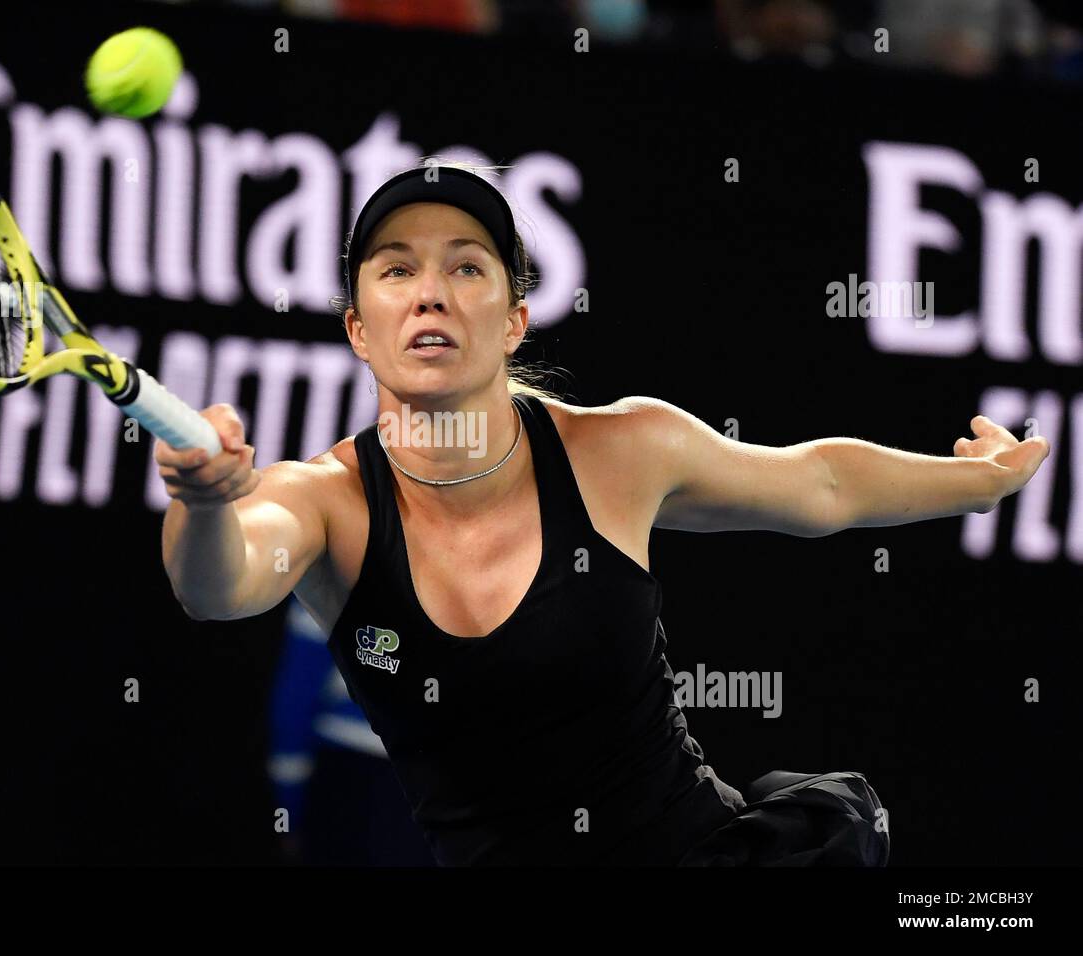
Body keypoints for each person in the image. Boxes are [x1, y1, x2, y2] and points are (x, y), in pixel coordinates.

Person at [157, 161, 1050, 866]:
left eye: (467, 266)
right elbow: (222, 584)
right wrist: (203, 505)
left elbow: (820, 485)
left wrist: (978, 482)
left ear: (513, 319)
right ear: (359, 326)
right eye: (397, 270)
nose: (430, 292)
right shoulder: (324, 499)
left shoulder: (623, 449)